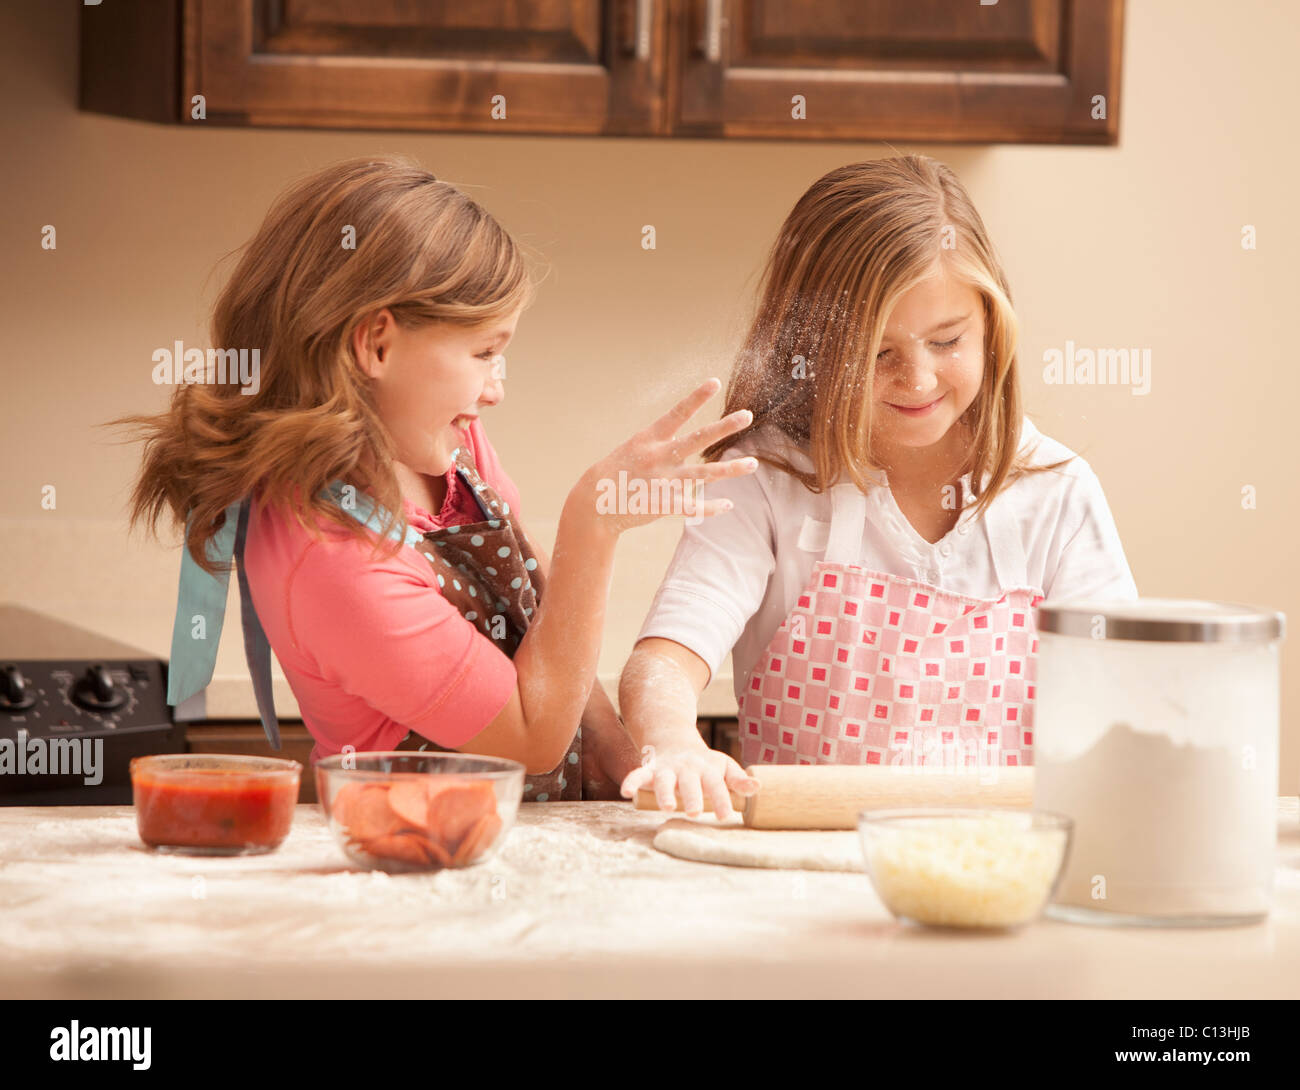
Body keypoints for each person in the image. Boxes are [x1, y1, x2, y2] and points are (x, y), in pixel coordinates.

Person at [120, 155, 757, 800]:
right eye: (483, 352)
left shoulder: (439, 443)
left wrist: (626, 768)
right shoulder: (332, 558)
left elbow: (545, 619)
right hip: (418, 857)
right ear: (377, 344)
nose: (495, 391)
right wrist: (593, 525)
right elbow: (533, 738)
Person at [618, 155, 1138, 817]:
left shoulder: (1056, 494)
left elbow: (1123, 693)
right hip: (806, 882)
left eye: (947, 341)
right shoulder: (768, 481)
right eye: (877, 353)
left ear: (992, 328)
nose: (917, 379)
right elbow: (663, 662)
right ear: (808, 348)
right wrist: (671, 742)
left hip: (1002, 871)